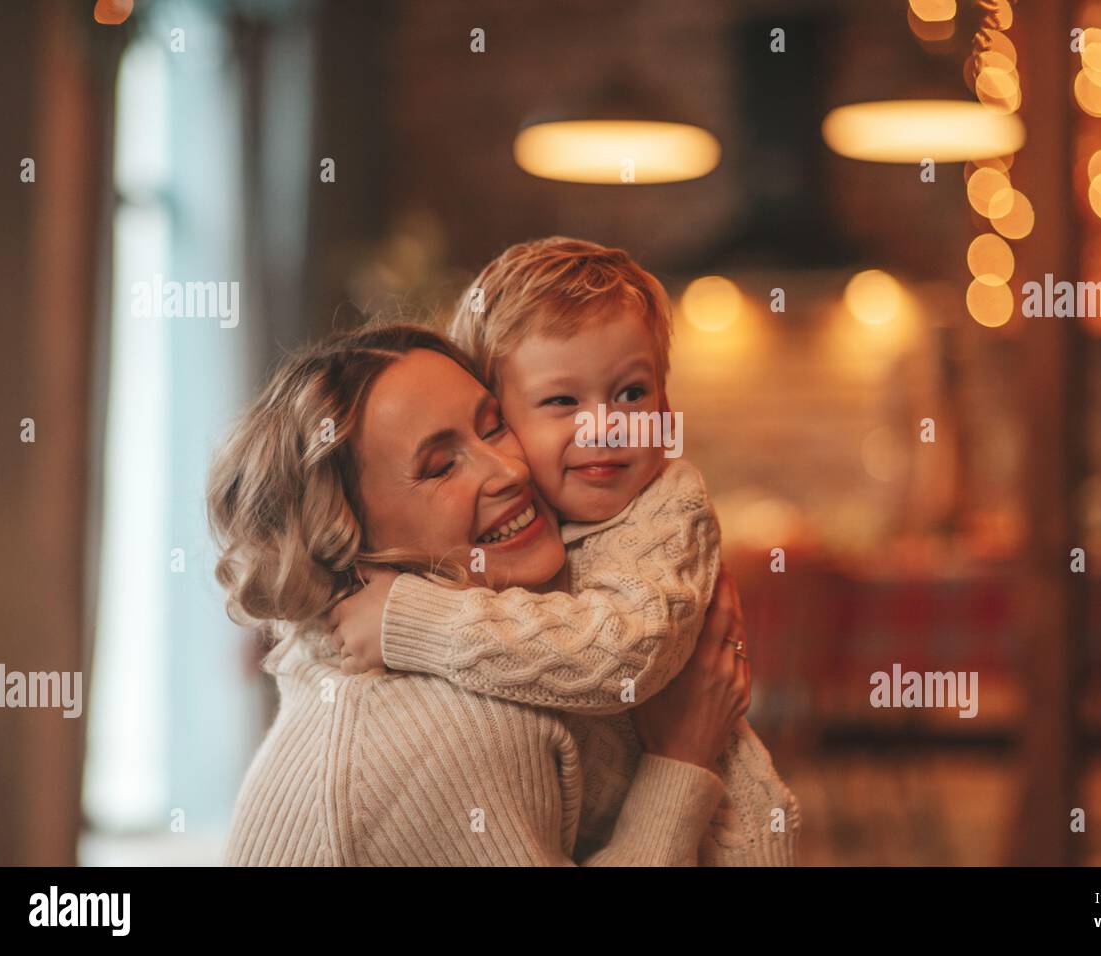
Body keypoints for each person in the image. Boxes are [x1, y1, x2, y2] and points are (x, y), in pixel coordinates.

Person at [329, 238, 800, 865]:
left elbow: (619, 656)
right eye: (562, 402)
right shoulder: (526, 518)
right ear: (502, 418)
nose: (603, 425)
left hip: (728, 840)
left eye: (632, 394)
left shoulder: (669, 508)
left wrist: (413, 620)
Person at [211, 324, 750, 865]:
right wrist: (681, 763)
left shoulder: (351, 661)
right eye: (441, 466)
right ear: (346, 537)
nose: (512, 470)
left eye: (495, 428)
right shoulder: (456, 729)